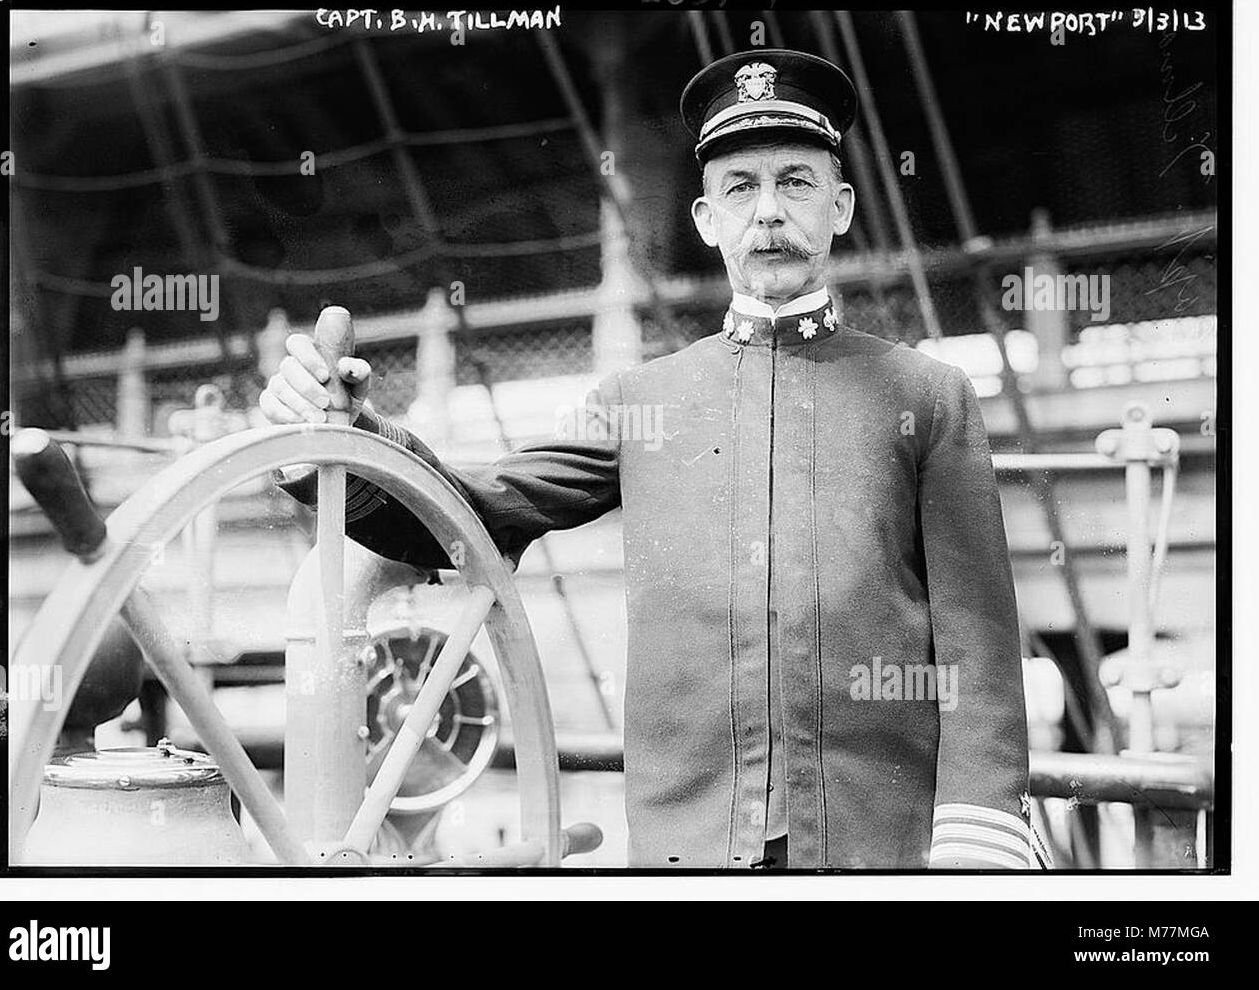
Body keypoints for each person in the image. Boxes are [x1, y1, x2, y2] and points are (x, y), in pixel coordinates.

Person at [262, 49, 1036, 870]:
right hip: (689, 851)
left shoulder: (929, 393)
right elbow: (477, 514)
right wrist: (347, 438)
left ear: (839, 207)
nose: (769, 213)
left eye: (796, 183)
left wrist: (976, 840)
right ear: (706, 220)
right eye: (741, 187)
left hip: (879, 848)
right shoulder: (641, 401)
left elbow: (977, 646)